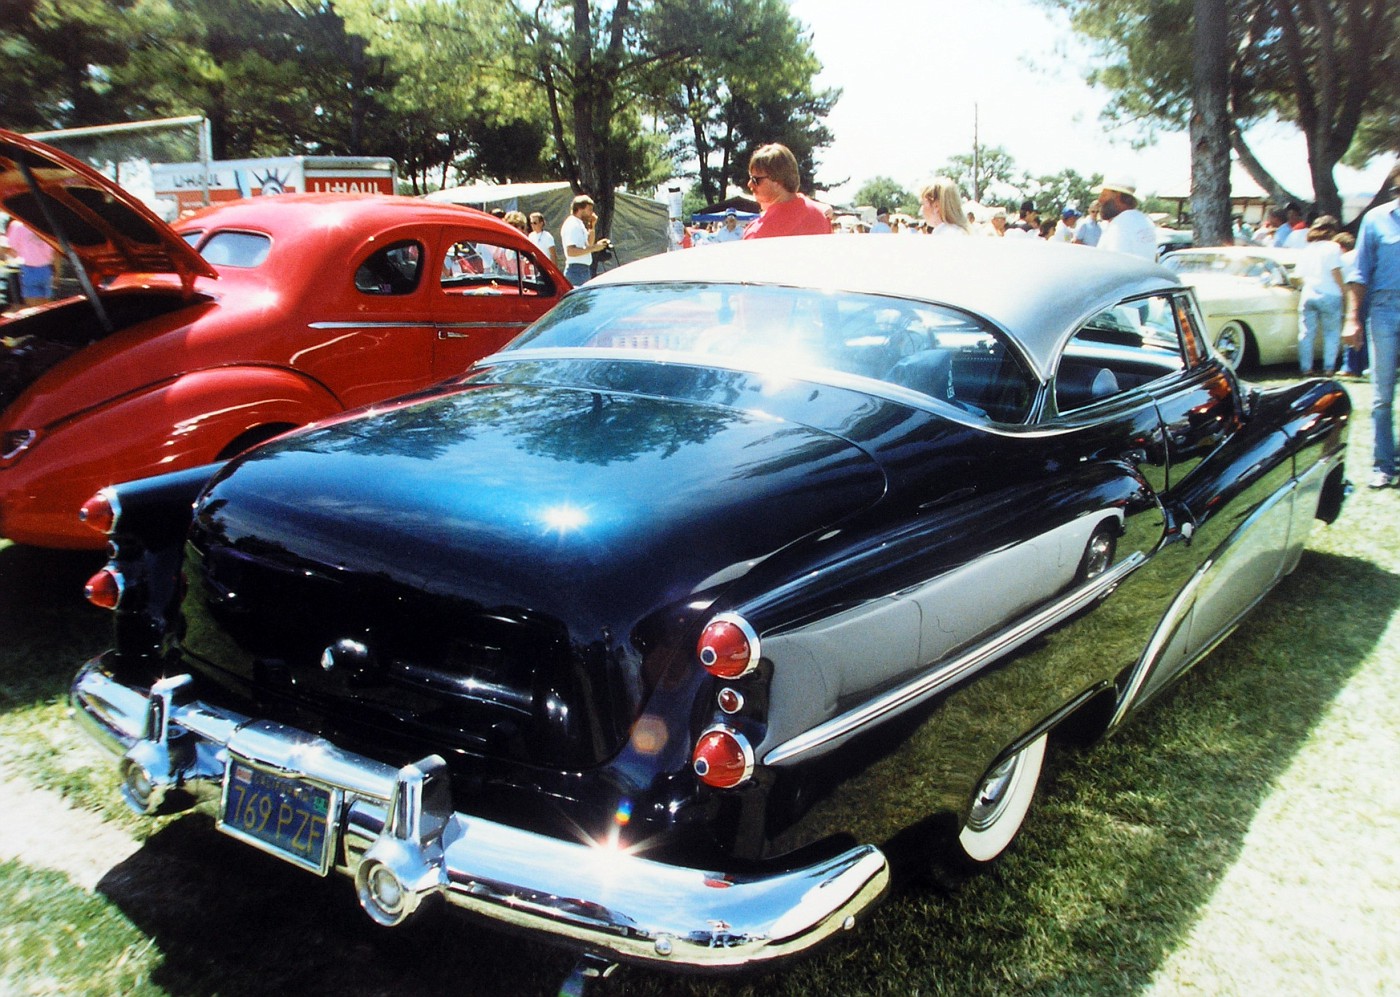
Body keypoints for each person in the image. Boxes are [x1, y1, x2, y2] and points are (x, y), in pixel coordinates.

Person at [1345, 160, 1400, 488]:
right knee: (1381, 395)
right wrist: (1353, 318)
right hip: (1384, 311)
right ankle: (1383, 464)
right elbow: (1359, 272)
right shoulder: (1377, 219)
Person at [740, 144, 830, 239]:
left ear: (777, 181)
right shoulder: (821, 216)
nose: (749, 184)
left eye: (755, 179)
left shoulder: (757, 233)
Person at [1294, 215, 1344, 375]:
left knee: (1307, 333)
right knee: (1331, 333)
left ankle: (1306, 367)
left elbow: (1297, 275)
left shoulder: (1307, 249)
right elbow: (1335, 271)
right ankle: (1329, 367)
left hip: (1309, 292)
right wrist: (1344, 290)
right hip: (1330, 292)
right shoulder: (1333, 247)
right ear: (1331, 230)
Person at [1095, 178, 1157, 261]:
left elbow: (1113, 265)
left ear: (1117, 196)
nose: (1099, 200)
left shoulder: (1119, 226)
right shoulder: (1144, 220)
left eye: (1104, 195)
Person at [1335, 231, 1368, 379]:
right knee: (1364, 333)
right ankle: (1364, 366)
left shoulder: (1344, 258)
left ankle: (1349, 366)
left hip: (1349, 295)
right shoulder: (1363, 256)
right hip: (1366, 295)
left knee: (1350, 332)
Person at [560, 194, 610, 285]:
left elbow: (589, 245)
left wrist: (592, 225)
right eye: (589, 210)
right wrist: (595, 248)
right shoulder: (572, 224)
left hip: (584, 270)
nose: (592, 213)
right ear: (579, 209)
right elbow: (570, 251)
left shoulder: (579, 224)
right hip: (576, 272)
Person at [6, 218, 56, 307]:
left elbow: (12, 250)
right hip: (47, 269)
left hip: (29, 269)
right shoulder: (49, 223)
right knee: (47, 306)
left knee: (32, 308)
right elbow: (55, 251)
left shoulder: (17, 225)